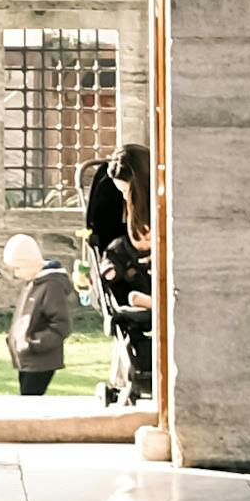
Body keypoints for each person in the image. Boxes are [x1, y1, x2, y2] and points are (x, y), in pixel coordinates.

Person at [83, 142, 155, 406]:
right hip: (134, 277)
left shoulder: (153, 210)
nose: (125, 199)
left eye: (127, 192)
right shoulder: (124, 237)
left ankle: (154, 303)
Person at [2, 231, 74, 396]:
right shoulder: (35, 284)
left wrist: (33, 343)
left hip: (40, 359)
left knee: (30, 400)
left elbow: (61, 325)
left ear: (28, 262)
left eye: (17, 268)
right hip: (28, 359)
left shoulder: (51, 285)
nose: (16, 274)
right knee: (27, 401)